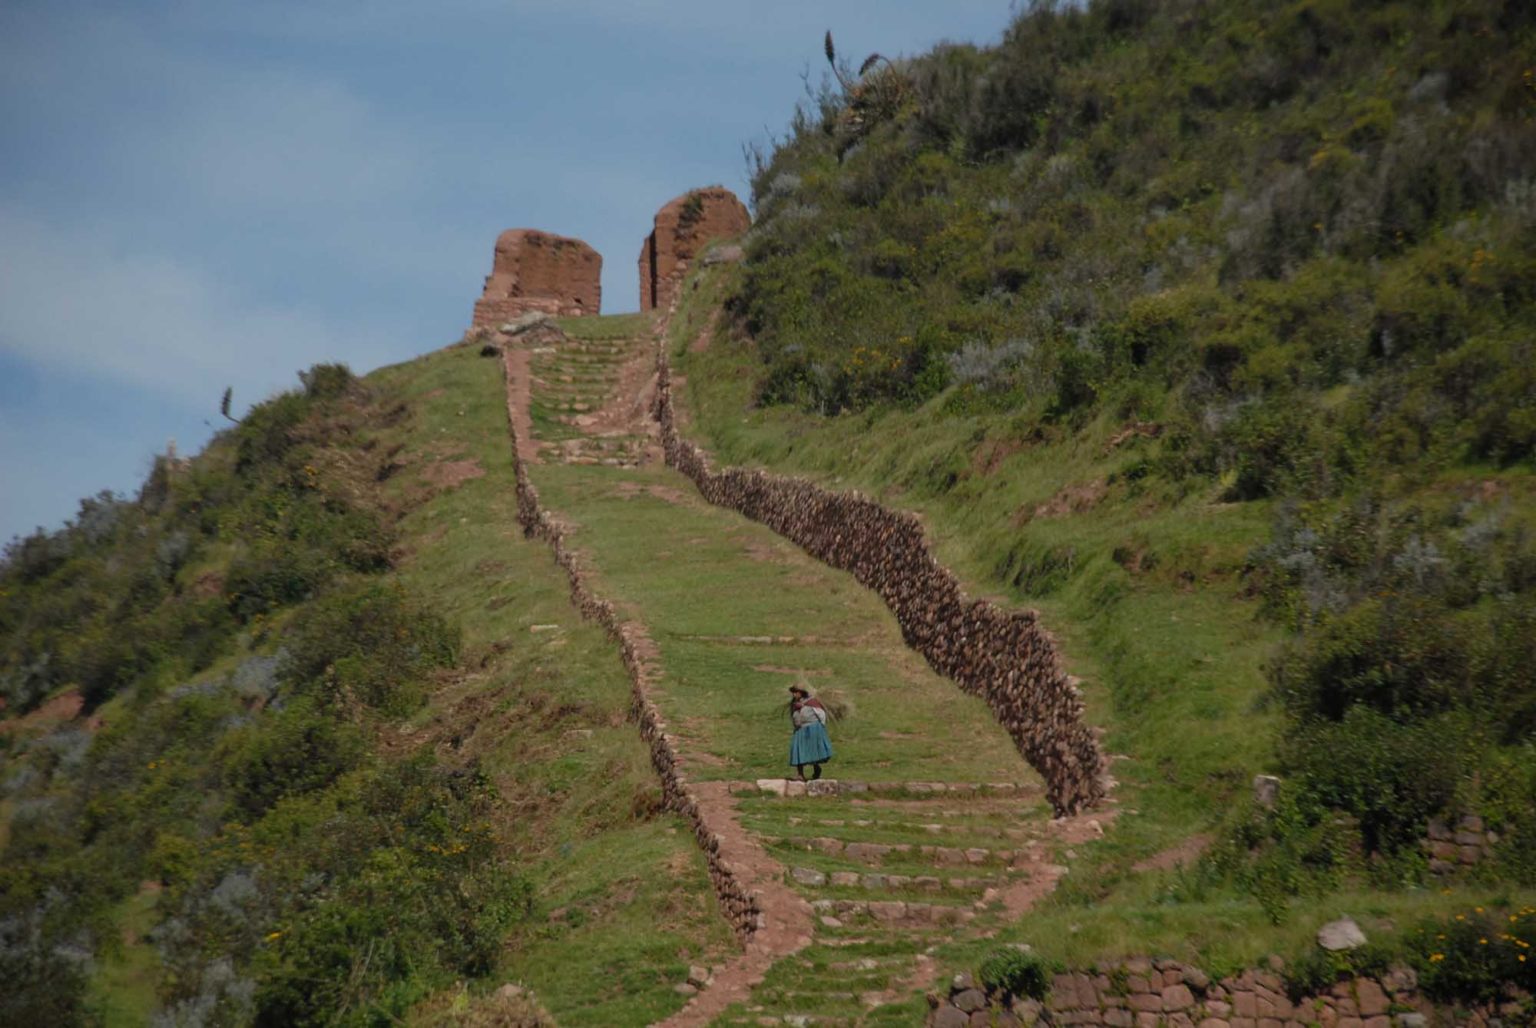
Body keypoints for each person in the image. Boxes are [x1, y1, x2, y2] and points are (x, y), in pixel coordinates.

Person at [787, 684, 833, 781]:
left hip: (812, 729)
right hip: (800, 730)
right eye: (793, 693)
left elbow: (822, 715)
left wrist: (819, 729)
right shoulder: (795, 704)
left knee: (813, 750)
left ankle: (816, 768)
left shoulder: (812, 702)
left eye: (796, 692)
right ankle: (800, 774)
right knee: (798, 751)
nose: (794, 695)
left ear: (801, 693)